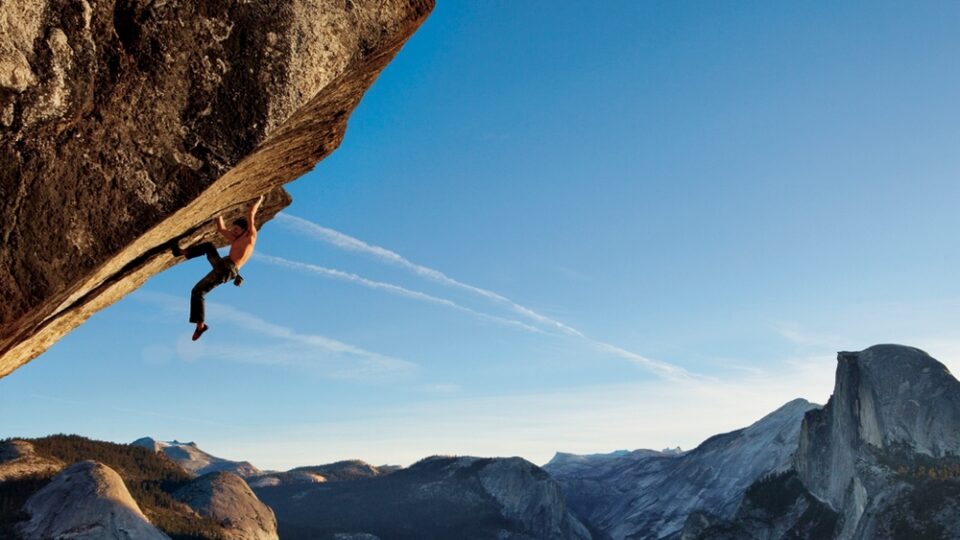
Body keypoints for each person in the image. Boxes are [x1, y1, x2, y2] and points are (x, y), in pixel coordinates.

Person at [172, 195, 264, 341]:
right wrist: (217, 211)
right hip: (224, 266)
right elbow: (221, 228)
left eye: (237, 229)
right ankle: (181, 252)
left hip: (227, 268)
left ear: (244, 230)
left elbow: (251, 213)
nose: (233, 231)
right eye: (233, 229)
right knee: (208, 251)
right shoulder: (237, 239)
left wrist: (259, 199)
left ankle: (200, 326)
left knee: (198, 291)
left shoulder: (250, 237)